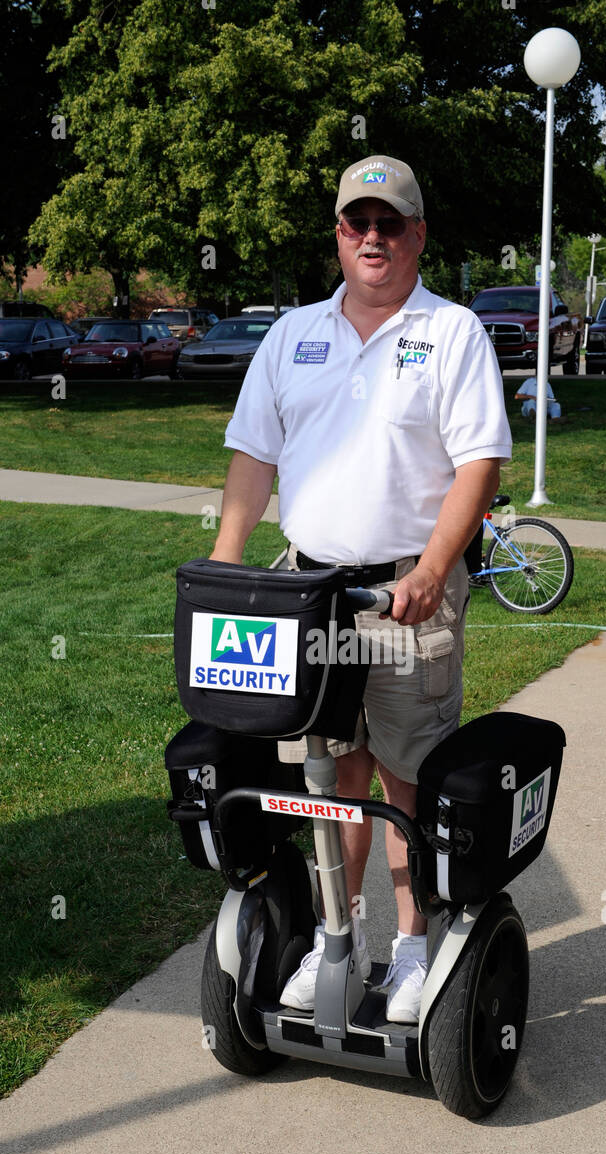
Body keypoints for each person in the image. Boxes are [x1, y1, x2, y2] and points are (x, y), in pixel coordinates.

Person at [208, 154, 511, 1023]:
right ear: (338, 235)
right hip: (309, 594)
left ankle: (415, 949)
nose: (371, 237)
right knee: (328, 773)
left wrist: (428, 570)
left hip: (403, 598)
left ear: (418, 235)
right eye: (356, 223)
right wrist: (230, 562)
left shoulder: (451, 333)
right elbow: (254, 457)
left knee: (407, 780)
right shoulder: (292, 334)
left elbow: (478, 465)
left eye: (390, 223)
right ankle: (338, 941)